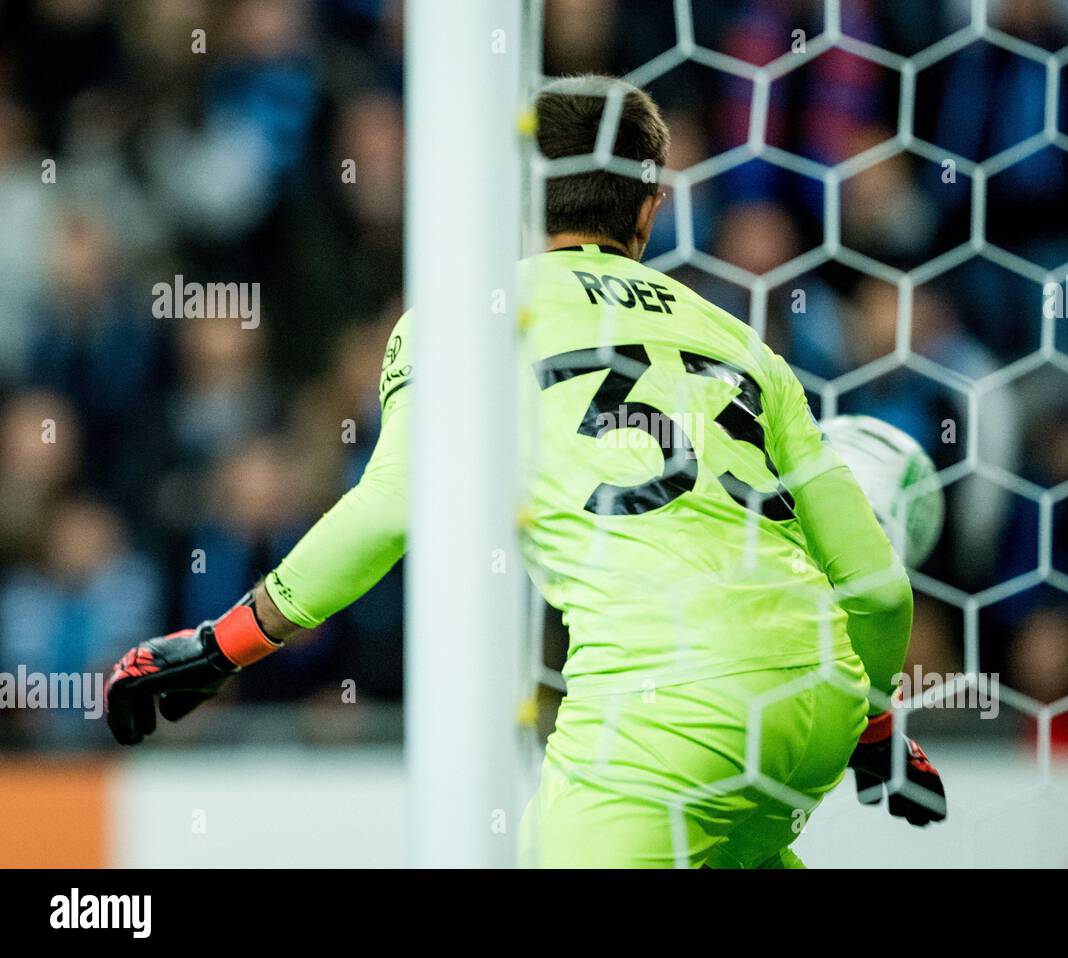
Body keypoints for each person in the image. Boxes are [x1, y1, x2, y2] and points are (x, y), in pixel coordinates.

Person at [103, 75, 945, 868]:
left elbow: (393, 508)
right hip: (815, 709)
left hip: (658, 714)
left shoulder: (464, 321)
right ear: (650, 208)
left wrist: (223, 645)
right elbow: (878, 590)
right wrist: (870, 728)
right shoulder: (745, 346)